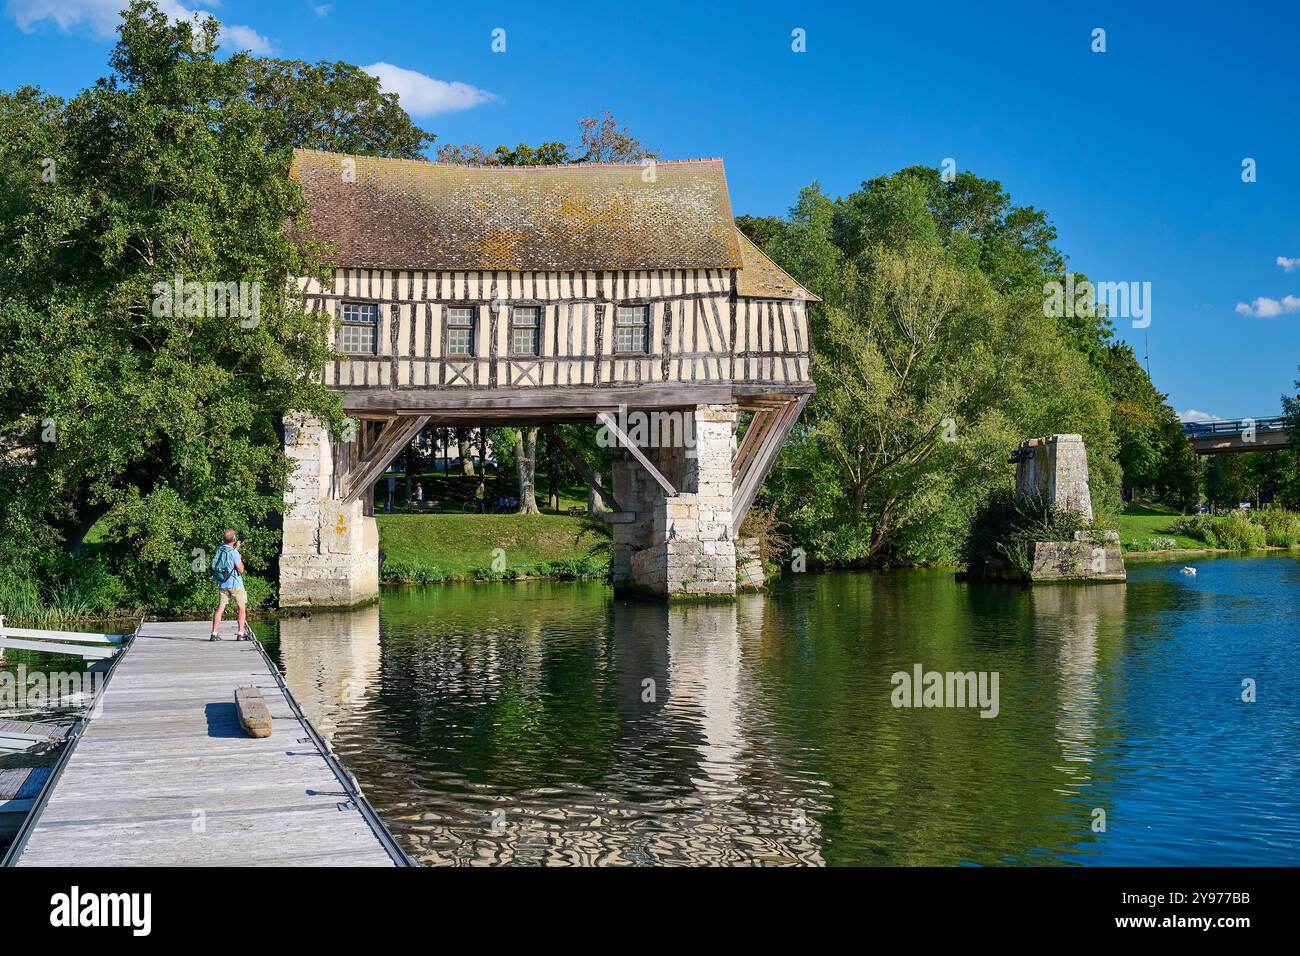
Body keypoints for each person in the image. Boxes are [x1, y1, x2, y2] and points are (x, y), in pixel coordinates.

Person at [210, 530, 250, 642]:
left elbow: (228, 557)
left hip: (222, 583)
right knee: (241, 608)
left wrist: (236, 548)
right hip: (235, 585)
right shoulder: (234, 553)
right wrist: (239, 557)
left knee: (220, 609)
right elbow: (240, 570)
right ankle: (240, 634)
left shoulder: (220, 549)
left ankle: (214, 634)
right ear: (234, 539)